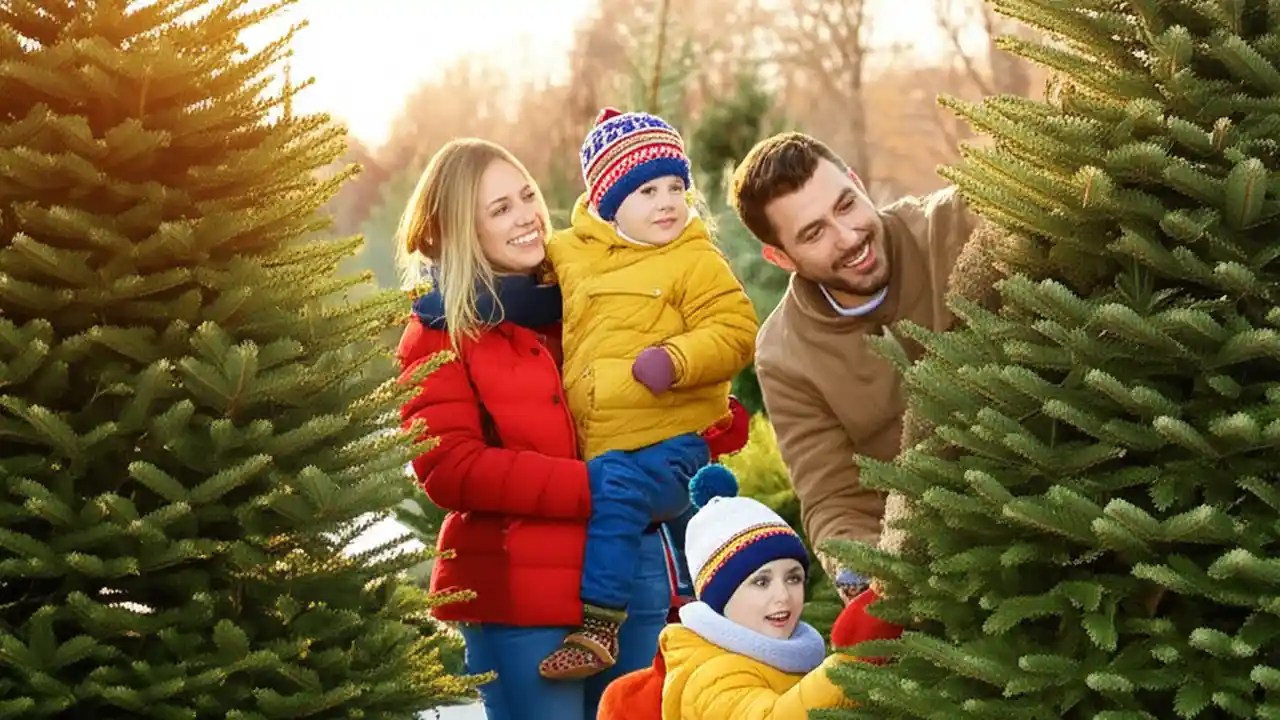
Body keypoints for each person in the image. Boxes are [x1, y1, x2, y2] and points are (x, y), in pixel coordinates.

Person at [395, 138, 747, 720]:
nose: (526, 216)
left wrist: (701, 425)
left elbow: (648, 402)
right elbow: (448, 466)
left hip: (629, 582)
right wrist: (589, 485)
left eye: (527, 195)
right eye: (499, 209)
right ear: (461, 230)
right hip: (521, 595)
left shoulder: (585, 302)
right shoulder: (440, 330)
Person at [536, 108, 760, 680]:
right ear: (609, 202)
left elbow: (735, 329)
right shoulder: (569, 253)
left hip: (670, 438)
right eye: (647, 190)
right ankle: (695, 616)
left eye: (676, 187)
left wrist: (676, 359)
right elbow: (523, 287)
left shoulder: (693, 256)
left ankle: (599, 626)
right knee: (607, 497)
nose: (668, 202)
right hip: (603, 438)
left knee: (618, 494)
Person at [728, 131, 979, 602]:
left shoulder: (955, 224)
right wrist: (864, 575)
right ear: (780, 257)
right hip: (946, 569)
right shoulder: (785, 355)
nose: (849, 238)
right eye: (814, 233)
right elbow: (834, 499)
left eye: (846, 205)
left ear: (857, 182)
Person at [596, 467, 903, 720]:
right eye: (760, 582)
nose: (783, 595)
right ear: (720, 599)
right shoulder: (711, 674)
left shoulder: (784, 655)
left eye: (793, 578)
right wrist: (852, 661)